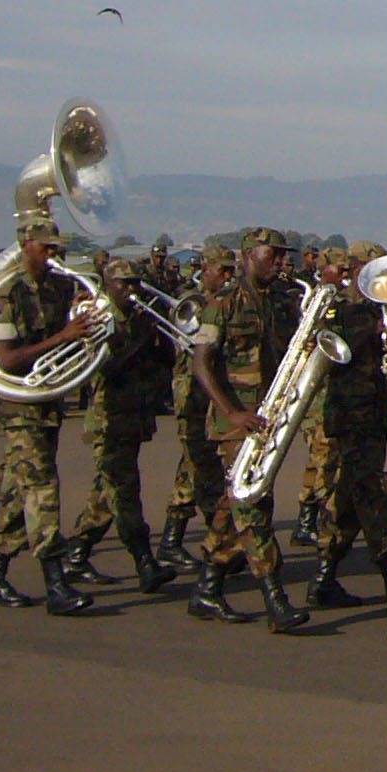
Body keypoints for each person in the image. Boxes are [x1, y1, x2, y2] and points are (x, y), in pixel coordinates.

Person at [186, 226, 310, 633]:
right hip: (235, 422)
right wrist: (232, 412)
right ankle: (275, 599)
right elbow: (201, 363)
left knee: (232, 506)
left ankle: (207, 586)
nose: (279, 261)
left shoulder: (278, 301)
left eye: (281, 255)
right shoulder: (222, 303)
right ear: (247, 255)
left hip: (266, 416)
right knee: (253, 507)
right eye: (271, 254)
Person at [0, 218, 96, 615]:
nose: (52, 254)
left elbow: (74, 336)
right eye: (45, 248)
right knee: (42, 486)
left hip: (45, 402)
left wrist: (83, 320)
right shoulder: (5, 294)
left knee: (16, 488)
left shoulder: (60, 288)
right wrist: (64, 337)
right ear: (25, 244)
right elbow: (7, 358)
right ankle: (56, 582)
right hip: (17, 405)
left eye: (55, 248)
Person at [62, 259, 179, 593]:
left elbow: (166, 361)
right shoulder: (97, 318)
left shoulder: (140, 319)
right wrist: (141, 341)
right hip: (108, 418)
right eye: (123, 284)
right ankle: (144, 561)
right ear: (107, 285)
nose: (131, 290)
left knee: (106, 491)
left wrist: (159, 335)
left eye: (135, 283)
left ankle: (77, 554)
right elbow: (105, 369)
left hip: (135, 415)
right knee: (124, 490)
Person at [309, 242, 387, 617]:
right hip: (350, 415)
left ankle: (323, 577)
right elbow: (335, 350)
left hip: (373, 413)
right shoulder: (342, 307)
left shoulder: (378, 307)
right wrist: (376, 325)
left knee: (348, 497)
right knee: (372, 493)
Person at [156, 242, 232, 571]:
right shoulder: (191, 300)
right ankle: (191, 542)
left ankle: (178, 542)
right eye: (222, 270)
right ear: (206, 270)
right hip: (191, 395)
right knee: (196, 466)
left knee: (196, 469)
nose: (228, 276)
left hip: (212, 396)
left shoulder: (228, 302)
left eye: (232, 270)